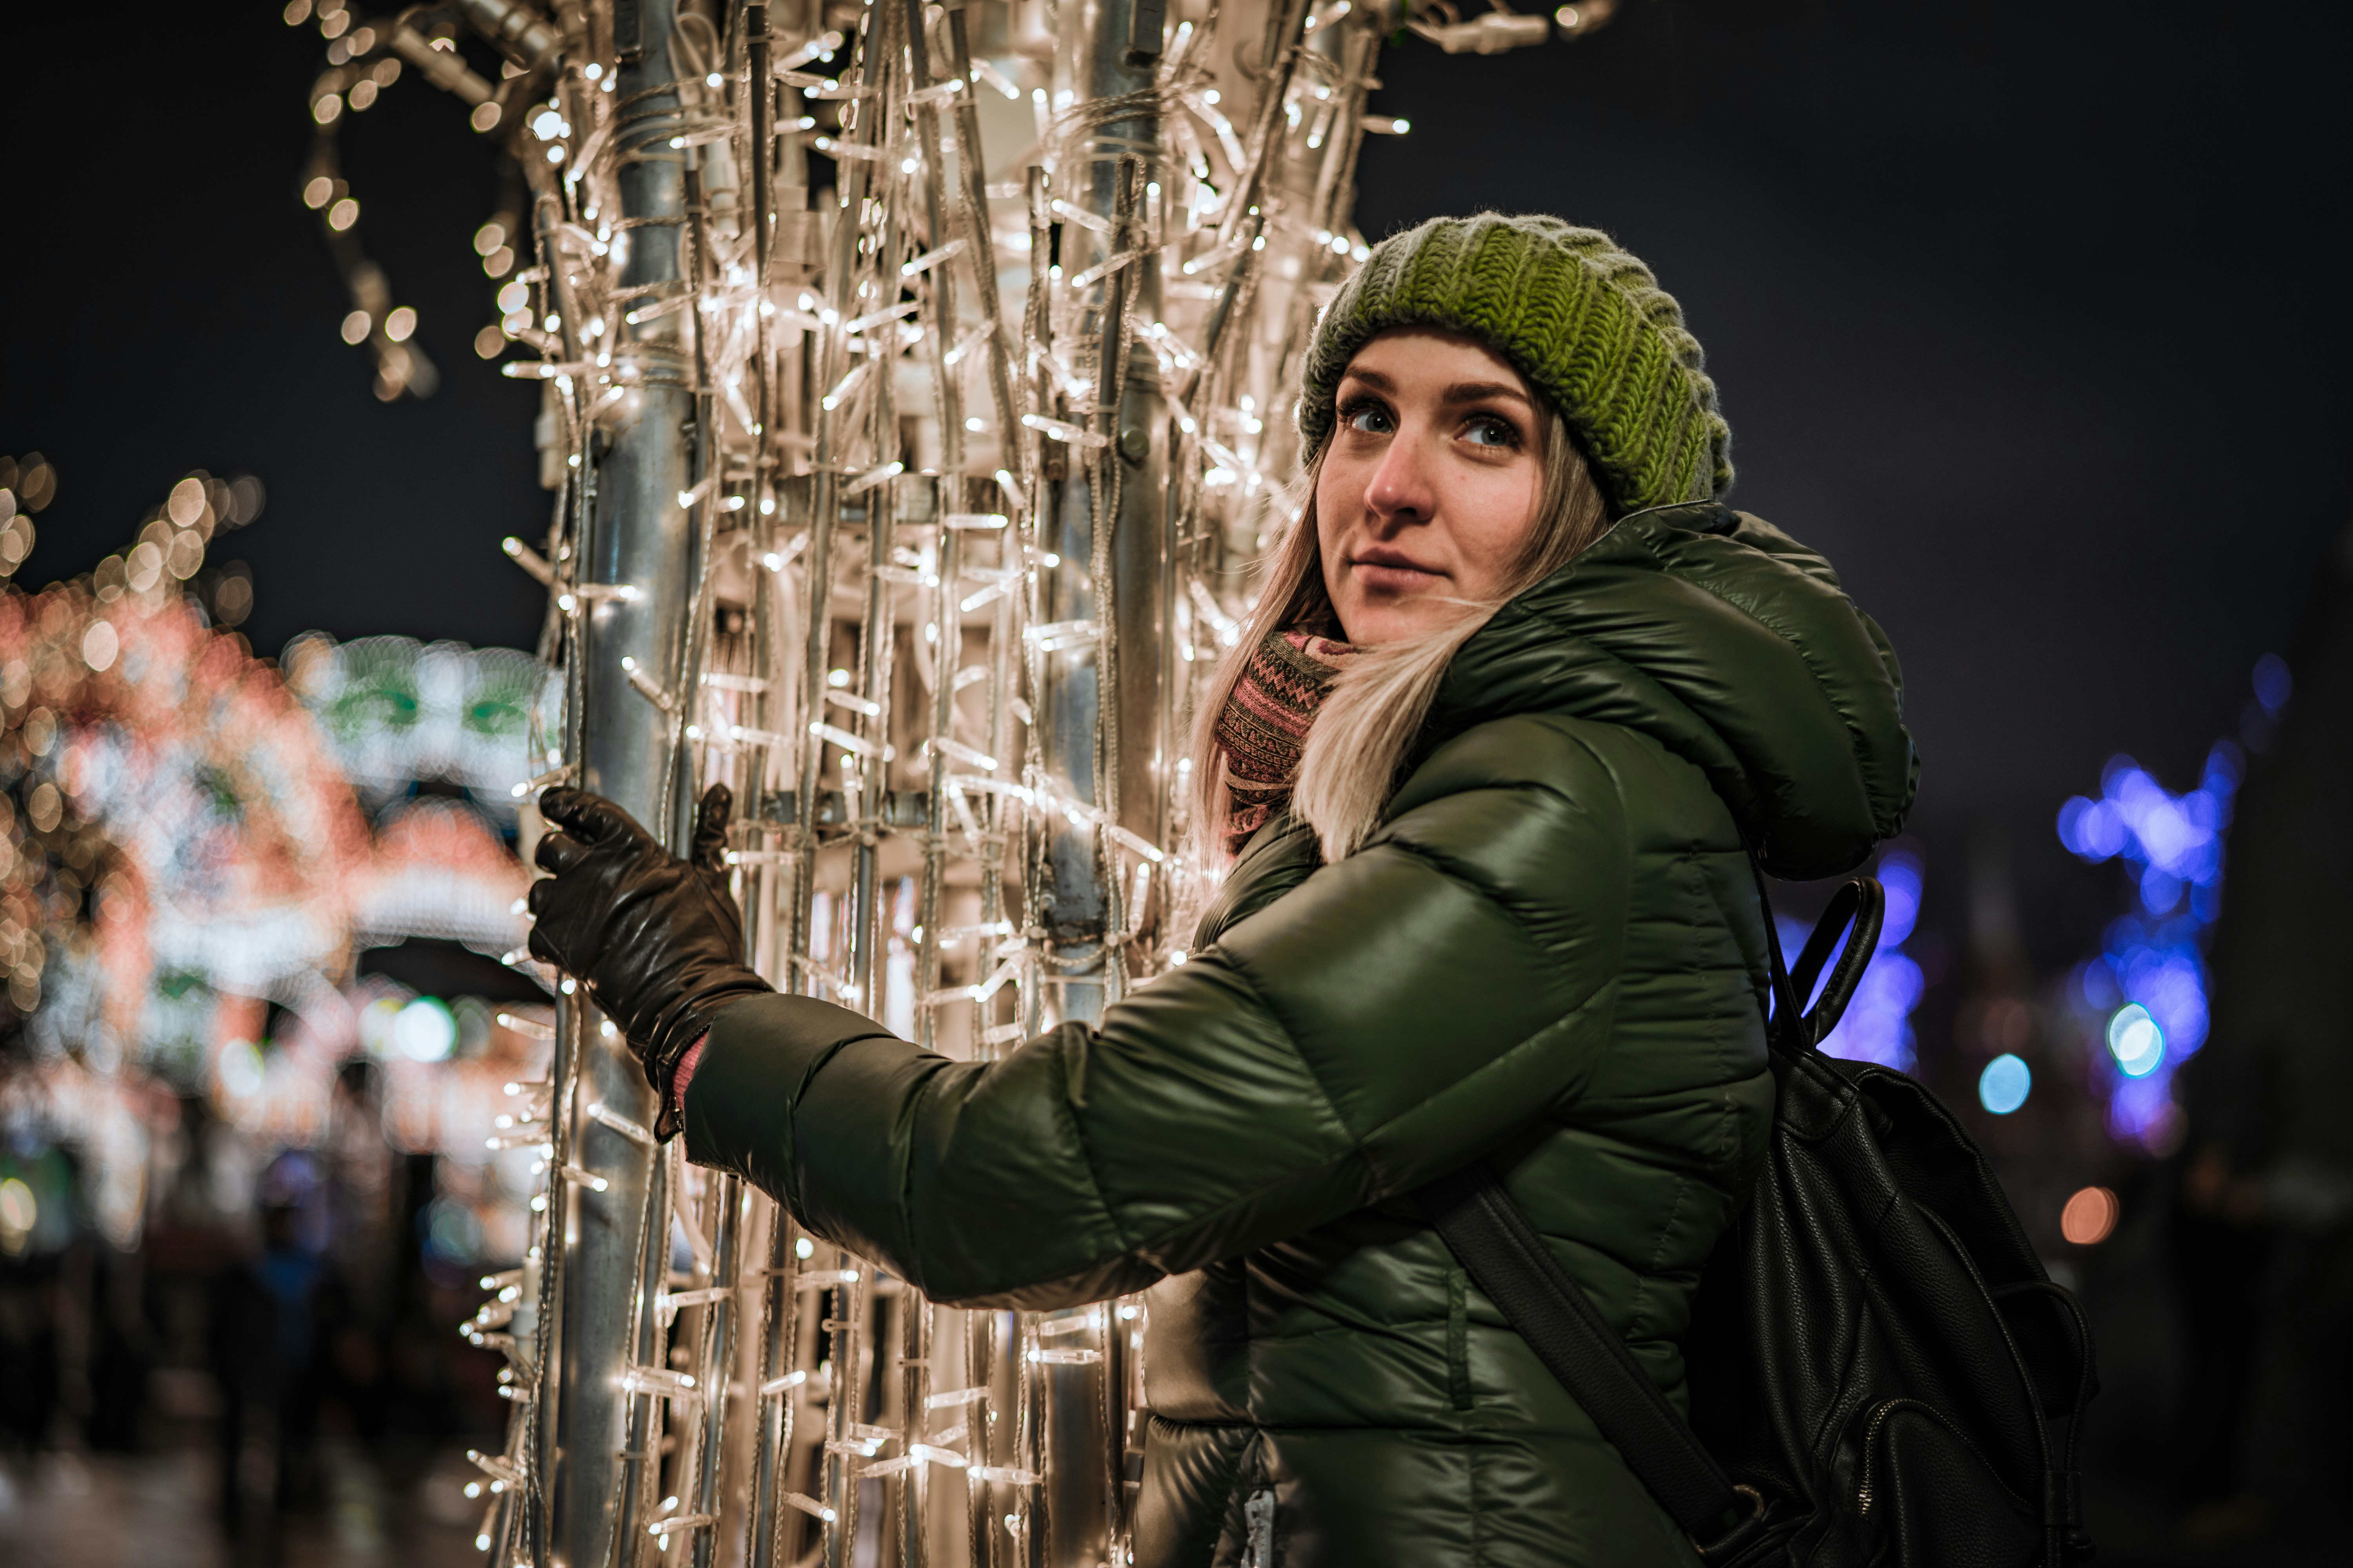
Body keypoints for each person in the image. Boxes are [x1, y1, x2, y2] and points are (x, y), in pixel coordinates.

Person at [526, 213, 1914, 1566]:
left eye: (1484, 429)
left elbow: (1030, 1177)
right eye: (1366, 416)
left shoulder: (1556, 812)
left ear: (1597, 515)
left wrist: (693, 1000)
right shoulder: (1420, 803)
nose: (1391, 484)